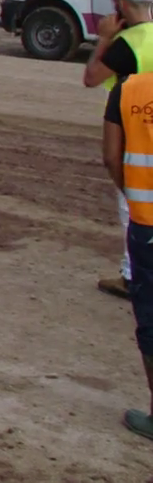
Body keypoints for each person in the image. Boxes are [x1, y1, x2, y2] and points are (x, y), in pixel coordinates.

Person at [91, 0, 153, 299]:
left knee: (133, 209)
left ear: (120, 1)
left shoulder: (124, 44)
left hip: (133, 132)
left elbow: (91, 77)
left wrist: (103, 39)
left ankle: (132, 277)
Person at [104, 68, 153, 440]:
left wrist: (134, 196)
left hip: (147, 223)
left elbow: (111, 156)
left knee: (150, 319)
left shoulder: (129, 90)